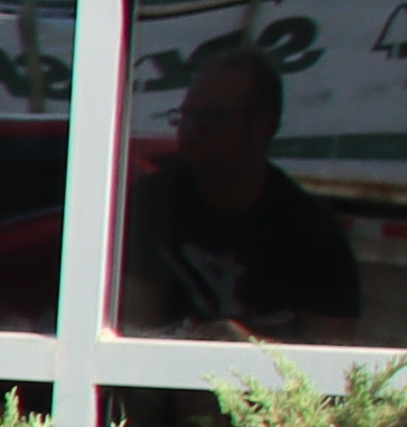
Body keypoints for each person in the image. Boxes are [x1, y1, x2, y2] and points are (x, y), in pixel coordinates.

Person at [121, 39, 363, 345]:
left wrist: (247, 350)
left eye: (211, 117)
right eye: (186, 115)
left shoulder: (310, 229)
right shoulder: (154, 201)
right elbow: (130, 328)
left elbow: (327, 358)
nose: (190, 129)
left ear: (262, 125)